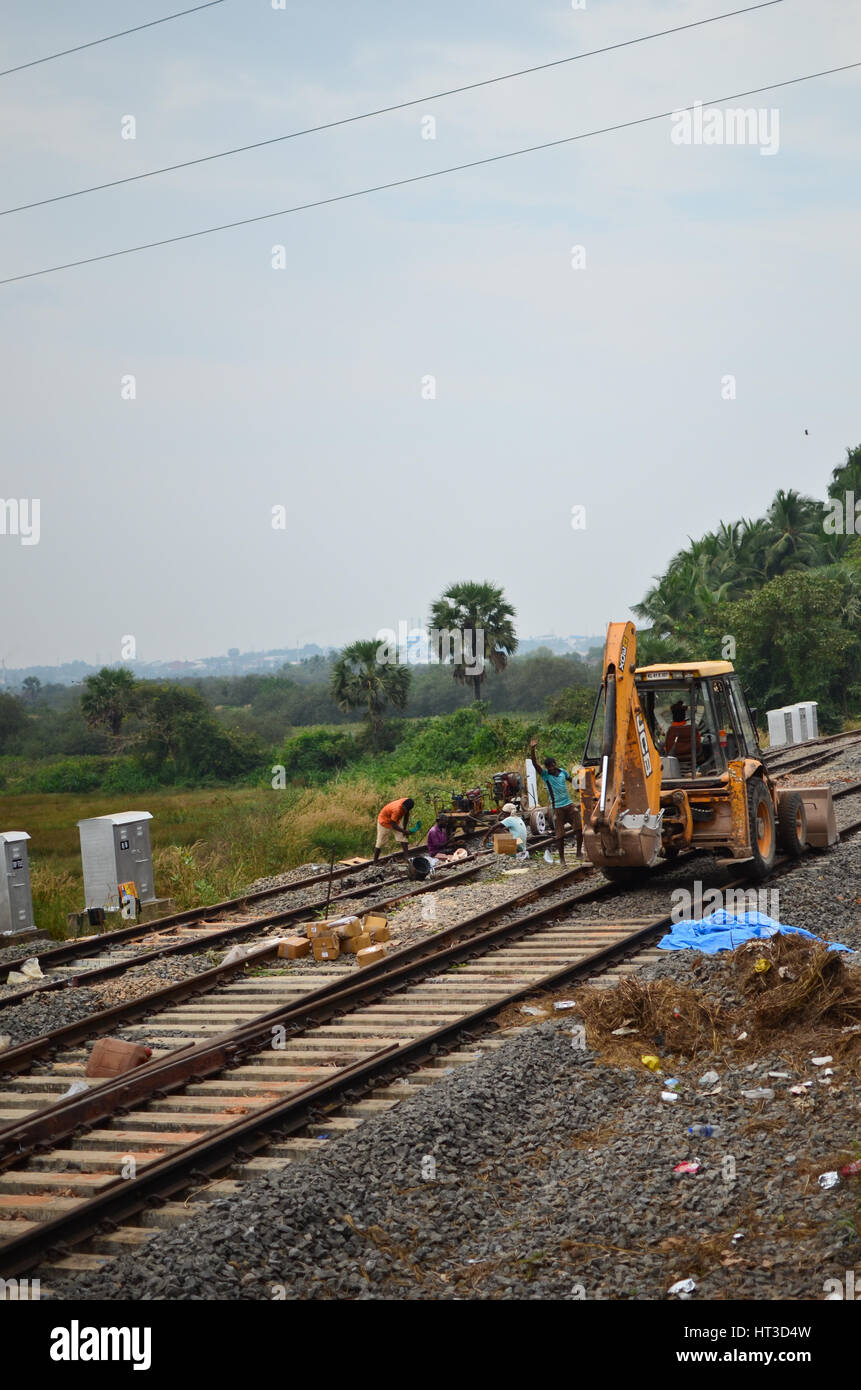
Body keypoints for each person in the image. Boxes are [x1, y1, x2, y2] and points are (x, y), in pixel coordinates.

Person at [529, 738, 583, 864]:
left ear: (555, 764)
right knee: (560, 835)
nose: (552, 768)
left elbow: (571, 780)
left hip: (569, 805)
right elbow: (535, 764)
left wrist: (579, 788)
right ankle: (562, 859)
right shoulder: (546, 776)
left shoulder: (563, 771)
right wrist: (532, 749)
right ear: (547, 768)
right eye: (549, 767)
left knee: (579, 828)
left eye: (553, 765)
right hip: (557, 808)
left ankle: (579, 852)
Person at [373, 796, 414, 864]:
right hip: (384, 821)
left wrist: (404, 829)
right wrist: (404, 831)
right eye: (403, 809)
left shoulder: (407, 802)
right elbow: (393, 825)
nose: (404, 811)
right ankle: (375, 862)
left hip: (395, 820)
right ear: (402, 806)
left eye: (405, 810)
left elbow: (406, 816)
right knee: (380, 842)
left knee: (403, 837)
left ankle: (406, 858)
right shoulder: (397, 809)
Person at [664, 701, 702, 765]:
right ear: (684, 715)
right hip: (694, 757)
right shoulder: (692, 724)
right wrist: (685, 707)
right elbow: (701, 709)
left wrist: (672, 708)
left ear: (673, 715)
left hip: (674, 759)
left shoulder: (667, 728)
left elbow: (656, 711)